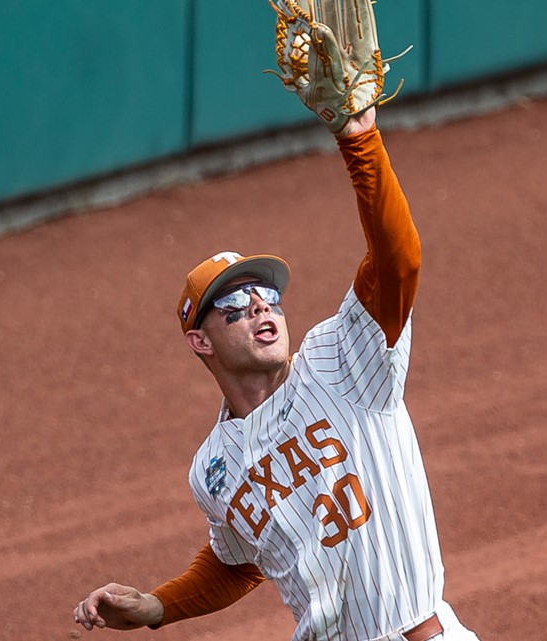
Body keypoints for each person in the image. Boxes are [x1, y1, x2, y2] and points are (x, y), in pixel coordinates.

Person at [72, 108, 479, 641]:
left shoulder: (341, 359)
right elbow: (239, 562)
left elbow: (397, 259)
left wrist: (360, 139)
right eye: (236, 303)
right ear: (200, 341)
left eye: (269, 297)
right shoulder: (212, 468)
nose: (261, 308)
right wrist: (156, 607)